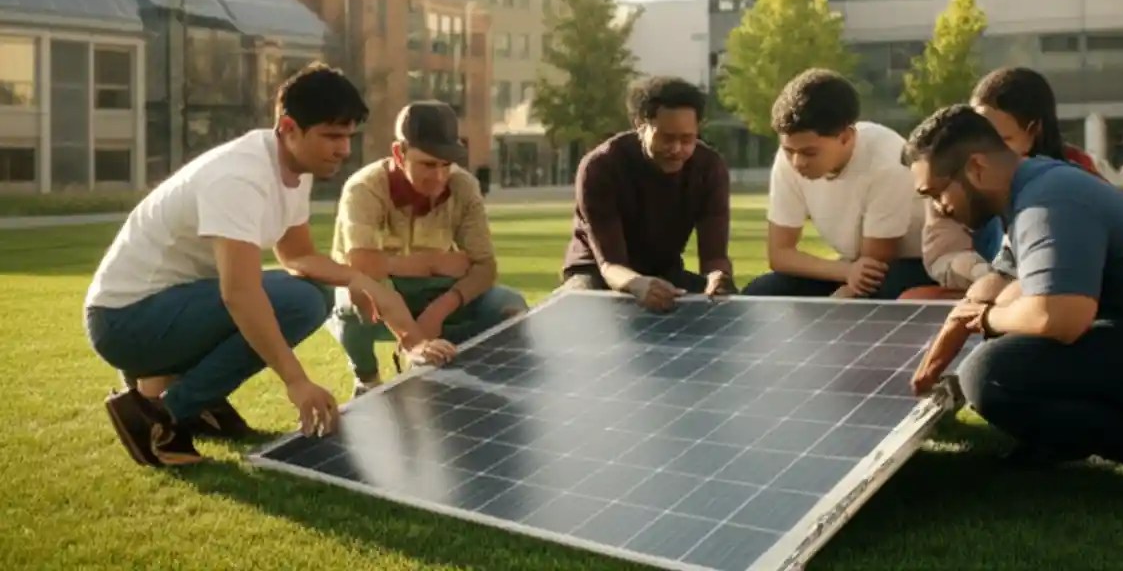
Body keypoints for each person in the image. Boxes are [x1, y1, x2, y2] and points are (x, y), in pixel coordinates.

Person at [905, 104, 1123, 520]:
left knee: (990, 375)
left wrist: (985, 320)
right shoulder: (1030, 191)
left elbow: (1062, 316)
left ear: (977, 167)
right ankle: (1076, 441)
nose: (938, 208)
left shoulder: (1049, 201)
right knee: (1003, 348)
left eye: (937, 193)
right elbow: (1001, 281)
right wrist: (959, 321)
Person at [84, 63, 436, 468]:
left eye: (348, 137)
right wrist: (297, 381)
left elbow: (297, 256)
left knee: (312, 293)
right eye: (331, 136)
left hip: (167, 311)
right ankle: (157, 416)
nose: (343, 149)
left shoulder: (293, 168)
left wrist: (365, 283)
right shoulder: (239, 177)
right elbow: (239, 293)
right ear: (289, 127)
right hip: (125, 322)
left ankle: (196, 404)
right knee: (299, 302)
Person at [327, 100, 529, 395]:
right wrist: (430, 264)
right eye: (428, 164)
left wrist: (438, 311)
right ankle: (366, 379)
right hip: (378, 290)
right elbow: (364, 268)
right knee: (351, 299)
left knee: (508, 304)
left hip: (436, 291)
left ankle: (467, 377)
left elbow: (485, 267)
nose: (438, 176)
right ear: (399, 153)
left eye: (446, 164)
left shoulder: (464, 186)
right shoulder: (364, 188)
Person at [909, 67, 1104, 297]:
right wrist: (982, 274)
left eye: (1000, 139)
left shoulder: (1063, 181)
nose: (983, 150)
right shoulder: (951, 174)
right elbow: (943, 253)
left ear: (1033, 131)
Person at [742, 68, 932, 299]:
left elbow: (874, 266)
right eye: (789, 150)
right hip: (854, 266)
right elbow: (780, 254)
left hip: (909, 265)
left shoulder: (888, 162)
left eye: (809, 152)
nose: (797, 162)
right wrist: (845, 271)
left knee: (879, 291)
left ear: (846, 137)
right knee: (762, 291)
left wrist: (839, 298)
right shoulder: (788, 161)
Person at [560, 75, 736, 311]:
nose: (676, 149)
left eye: (687, 139)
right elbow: (610, 264)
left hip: (664, 273)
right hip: (596, 273)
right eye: (667, 138)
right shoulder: (601, 167)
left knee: (727, 309)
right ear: (639, 124)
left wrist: (718, 278)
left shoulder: (709, 168)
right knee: (581, 308)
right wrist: (637, 284)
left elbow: (714, 256)